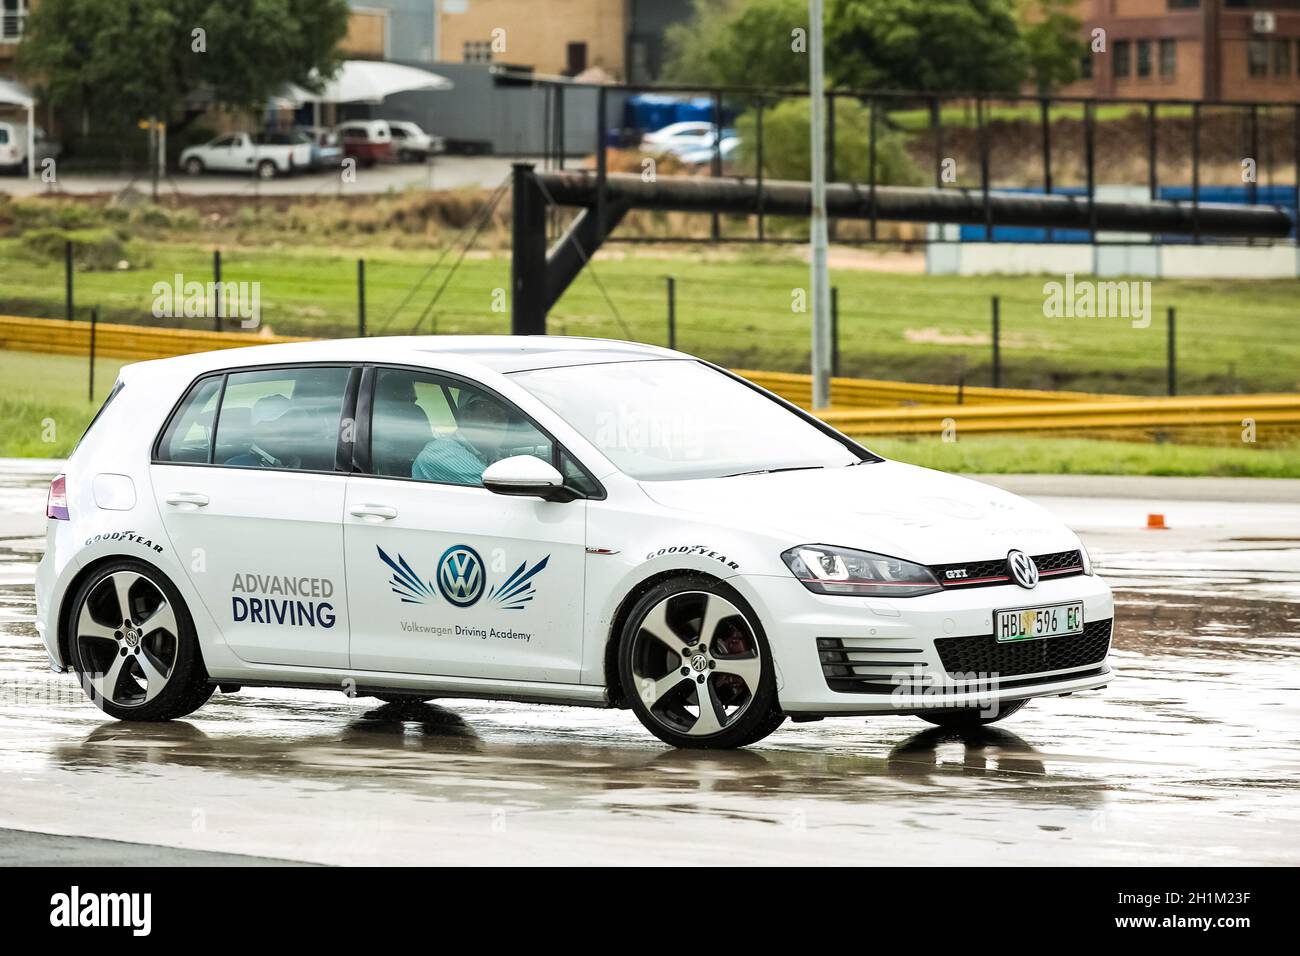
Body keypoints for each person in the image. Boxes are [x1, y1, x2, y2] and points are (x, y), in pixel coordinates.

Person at [412, 393, 509, 484]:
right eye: (493, 412)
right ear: (467, 417)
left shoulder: (488, 453)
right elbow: (502, 490)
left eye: (506, 415)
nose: (502, 420)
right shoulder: (441, 452)